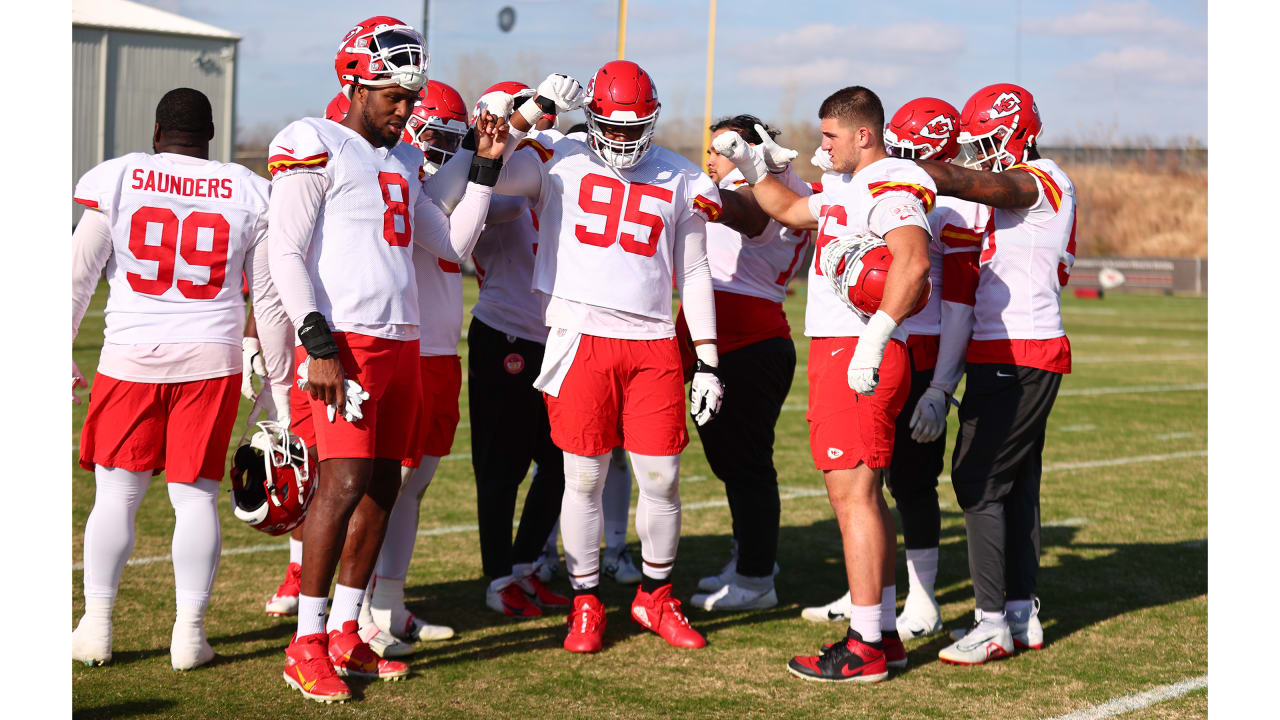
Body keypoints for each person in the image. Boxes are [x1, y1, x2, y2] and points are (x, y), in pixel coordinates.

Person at [435, 61, 724, 653]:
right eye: (610, 128)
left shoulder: (681, 176)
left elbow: (694, 269)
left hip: (652, 343)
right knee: (583, 476)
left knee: (662, 477)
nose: (621, 140)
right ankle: (586, 600)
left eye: (633, 128)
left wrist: (711, 360)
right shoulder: (556, 157)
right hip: (578, 335)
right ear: (590, 117)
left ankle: (655, 596)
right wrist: (535, 111)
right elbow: (474, 169)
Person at [267, 16, 506, 703]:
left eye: (412, 96)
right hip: (346, 337)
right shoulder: (312, 141)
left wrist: (484, 167)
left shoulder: (400, 161)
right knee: (340, 484)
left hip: (402, 340)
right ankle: (305, 642)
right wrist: (316, 341)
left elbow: (451, 247)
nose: (405, 110)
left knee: (382, 488)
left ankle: (347, 629)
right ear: (352, 83)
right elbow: (285, 250)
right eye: (392, 96)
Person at [712, 85, 933, 682]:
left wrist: (874, 337)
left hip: (860, 354)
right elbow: (786, 210)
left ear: (864, 134)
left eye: (831, 135)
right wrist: (754, 166)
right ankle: (882, 633)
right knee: (864, 495)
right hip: (841, 351)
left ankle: (862, 646)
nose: (821, 146)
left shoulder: (891, 183)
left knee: (852, 497)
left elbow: (912, 264)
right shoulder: (844, 185)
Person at [70, 87, 294, 670]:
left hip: (129, 357)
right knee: (195, 499)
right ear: (212, 135)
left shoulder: (119, 177)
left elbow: (76, 275)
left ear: (155, 132)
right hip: (210, 359)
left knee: (117, 496)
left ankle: (97, 627)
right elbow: (268, 299)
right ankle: (189, 636)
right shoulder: (248, 190)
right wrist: (275, 378)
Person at [800, 98, 990, 642]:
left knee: (910, 482)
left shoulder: (938, 203)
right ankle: (875, 600)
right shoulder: (862, 184)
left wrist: (940, 388)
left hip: (910, 349)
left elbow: (957, 305)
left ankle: (921, 598)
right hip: (887, 342)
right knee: (870, 481)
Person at [912, 83, 1075, 666]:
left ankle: (989, 624)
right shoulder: (1000, 200)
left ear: (1018, 134)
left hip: (1020, 351)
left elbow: (990, 184)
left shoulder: (1044, 177)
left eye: (985, 144)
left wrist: (915, 172)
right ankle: (1020, 611)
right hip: (1003, 351)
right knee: (1017, 484)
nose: (978, 156)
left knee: (977, 481)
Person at [356, 79, 473, 656]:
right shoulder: (396, 175)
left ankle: (390, 604)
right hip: (401, 345)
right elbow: (447, 207)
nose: (445, 148)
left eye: (457, 139)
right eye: (438, 135)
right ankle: (355, 611)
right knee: (384, 485)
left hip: (442, 353)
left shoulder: (448, 182)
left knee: (416, 486)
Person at [680, 115, 812, 611]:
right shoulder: (786, 185)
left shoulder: (759, 188)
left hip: (747, 340)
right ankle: (752, 558)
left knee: (747, 467)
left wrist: (711, 197)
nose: (710, 157)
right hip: (737, 335)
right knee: (735, 464)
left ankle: (757, 577)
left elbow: (749, 214)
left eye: (722, 147)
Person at [465, 81, 580, 619]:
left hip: (553, 335)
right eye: (520, 114)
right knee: (501, 468)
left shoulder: (547, 161)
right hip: (505, 333)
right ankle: (497, 577)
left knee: (561, 461)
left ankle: (528, 562)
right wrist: (527, 136)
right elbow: (494, 194)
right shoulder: (490, 170)